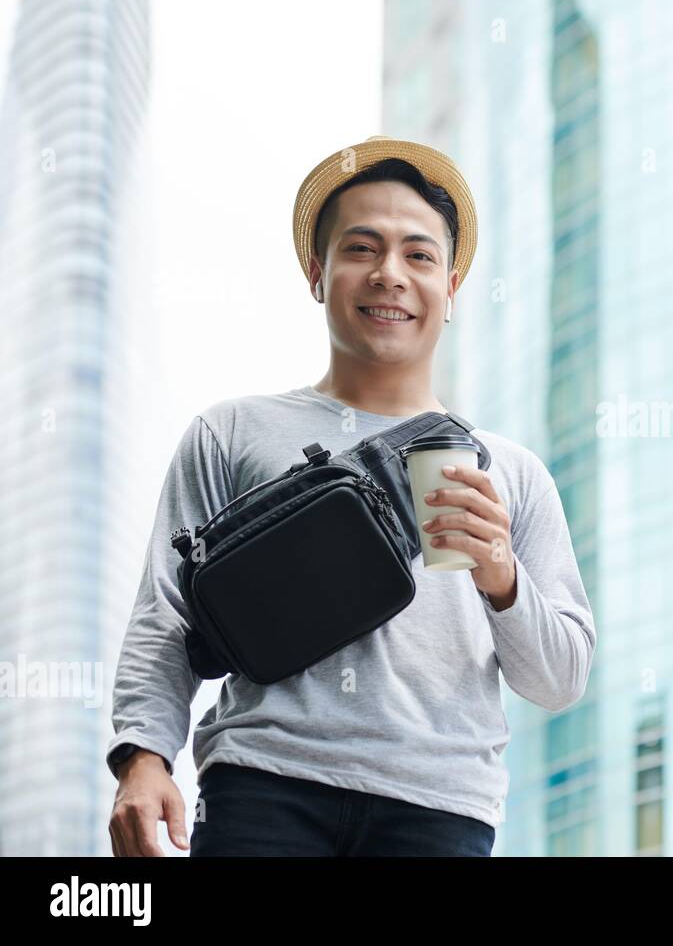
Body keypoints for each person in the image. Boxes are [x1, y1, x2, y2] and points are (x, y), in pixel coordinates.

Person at [106, 136, 596, 857]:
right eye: (362, 249)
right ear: (317, 272)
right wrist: (142, 762)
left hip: (440, 812)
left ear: (453, 286)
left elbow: (560, 680)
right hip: (261, 790)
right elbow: (166, 617)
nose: (390, 275)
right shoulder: (231, 432)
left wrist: (501, 577)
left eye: (419, 256)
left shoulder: (510, 473)